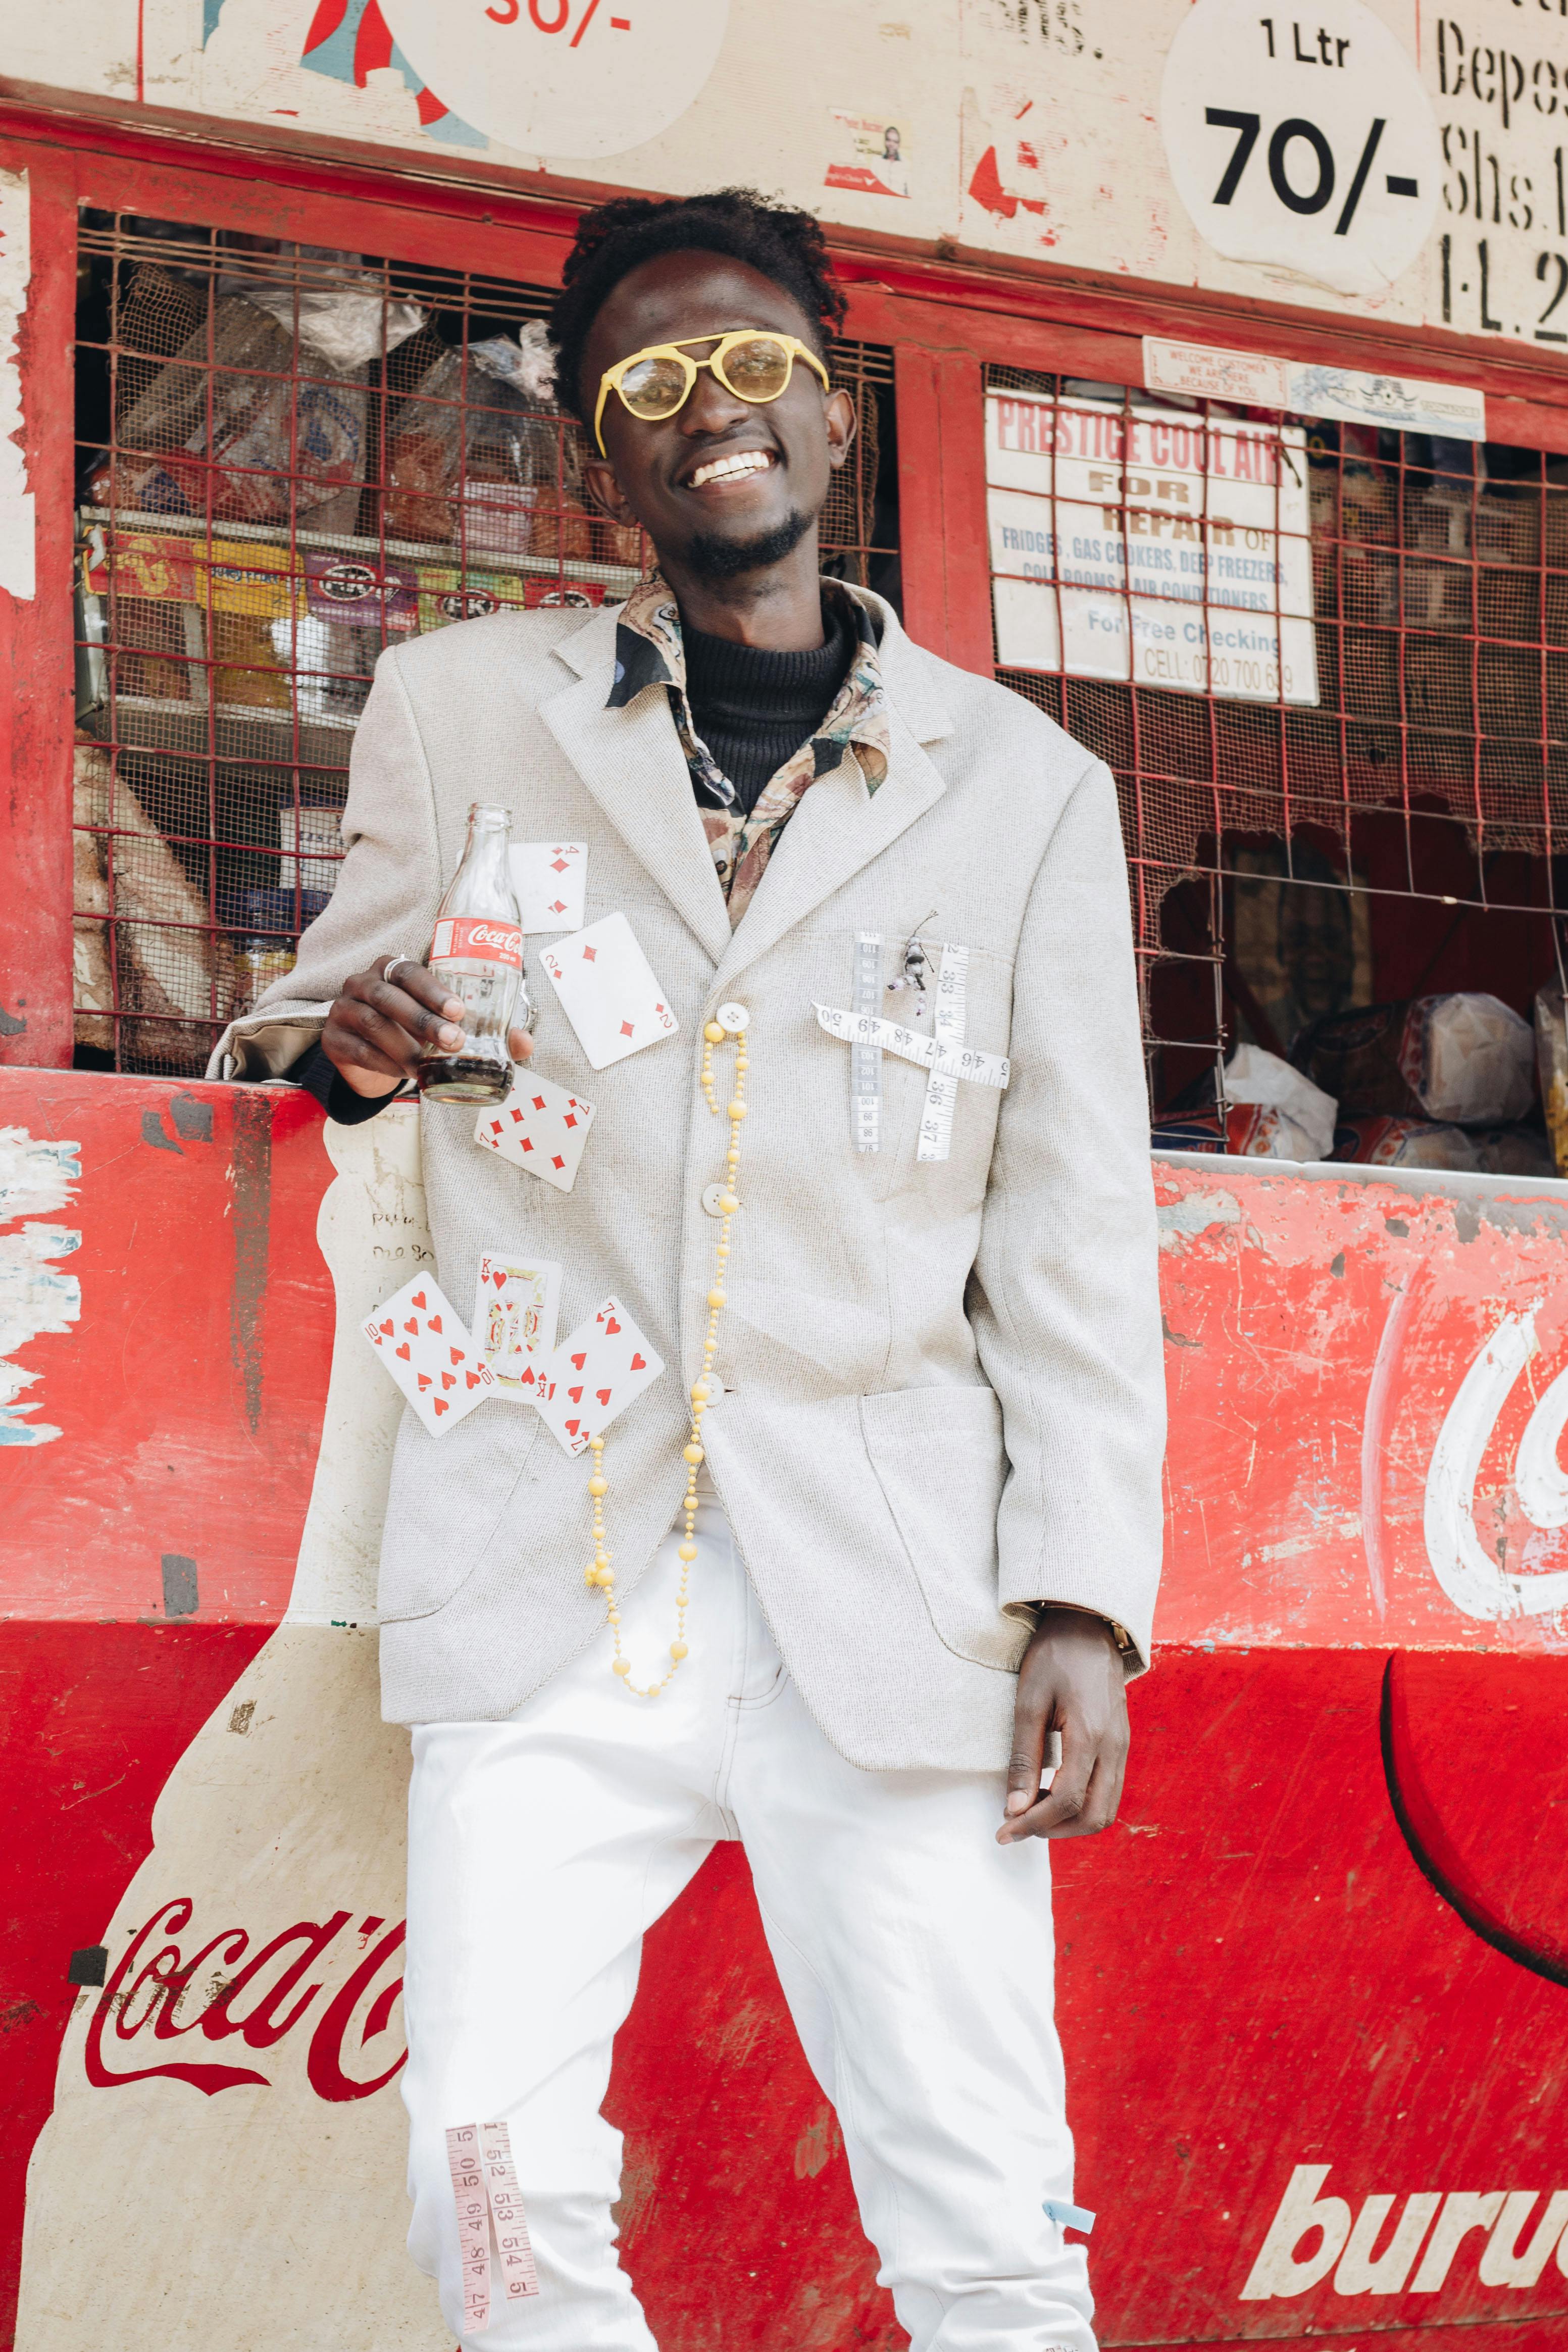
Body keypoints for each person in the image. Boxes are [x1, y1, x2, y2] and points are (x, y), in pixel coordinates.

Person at [213, 186, 1165, 2352]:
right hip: (547, 1565)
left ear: (833, 418)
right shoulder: (462, 712)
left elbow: (1077, 1225)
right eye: (645, 381)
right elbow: (315, 1010)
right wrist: (342, 1050)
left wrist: (1093, 1601)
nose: (706, 409)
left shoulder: (1025, 790)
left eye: (750, 364)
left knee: (992, 2223)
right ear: (594, 458)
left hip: (895, 1581)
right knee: (497, 2200)